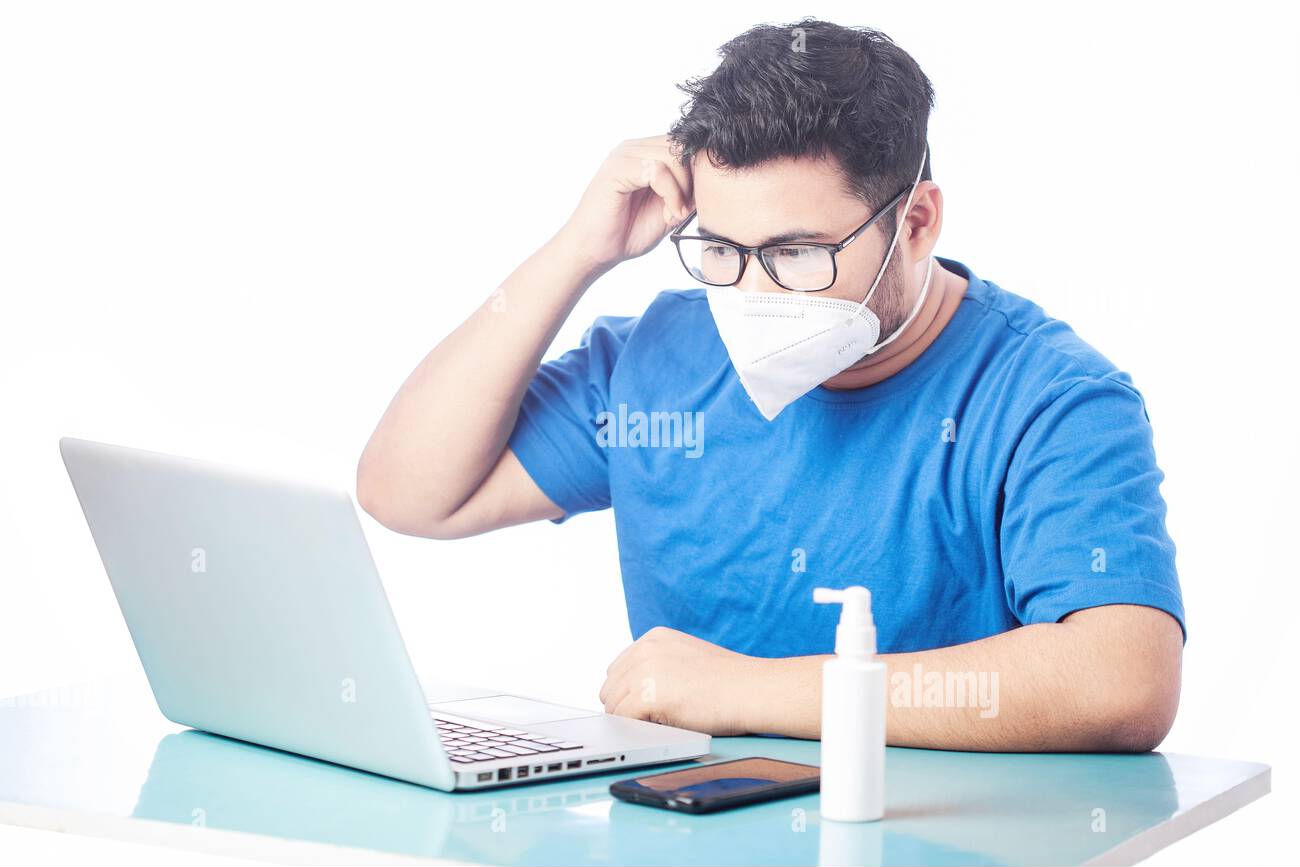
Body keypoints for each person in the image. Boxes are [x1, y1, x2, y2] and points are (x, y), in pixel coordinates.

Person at [357, 19, 1183, 752]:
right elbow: (409, 493)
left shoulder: (1051, 399)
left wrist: (746, 690)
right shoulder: (661, 361)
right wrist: (580, 248)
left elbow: (1122, 681)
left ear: (918, 222)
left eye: (797, 254)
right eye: (721, 250)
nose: (754, 296)